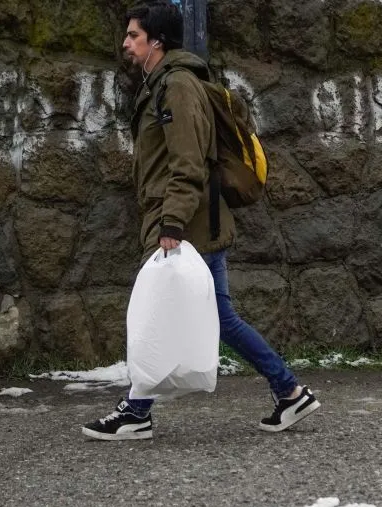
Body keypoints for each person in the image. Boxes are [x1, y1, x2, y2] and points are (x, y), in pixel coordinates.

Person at [83, 1, 320, 442]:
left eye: (133, 36)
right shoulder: (162, 84)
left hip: (187, 224)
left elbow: (188, 162)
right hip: (186, 219)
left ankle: (138, 412)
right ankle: (288, 392)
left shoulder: (177, 87)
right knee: (212, 316)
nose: (126, 44)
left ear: (156, 41)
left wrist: (170, 224)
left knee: (171, 314)